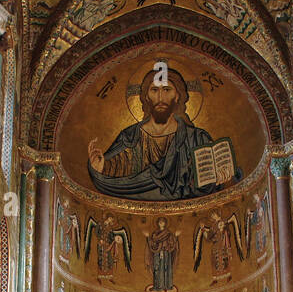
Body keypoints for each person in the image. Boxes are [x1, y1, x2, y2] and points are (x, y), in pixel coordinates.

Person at [88, 63, 238, 200]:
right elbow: (114, 176)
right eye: (154, 90)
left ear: (177, 95)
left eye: (167, 90)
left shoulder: (198, 139)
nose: (160, 97)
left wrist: (224, 180)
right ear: (146, 96)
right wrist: (99, 169)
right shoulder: (129, 137)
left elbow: (213, 187)